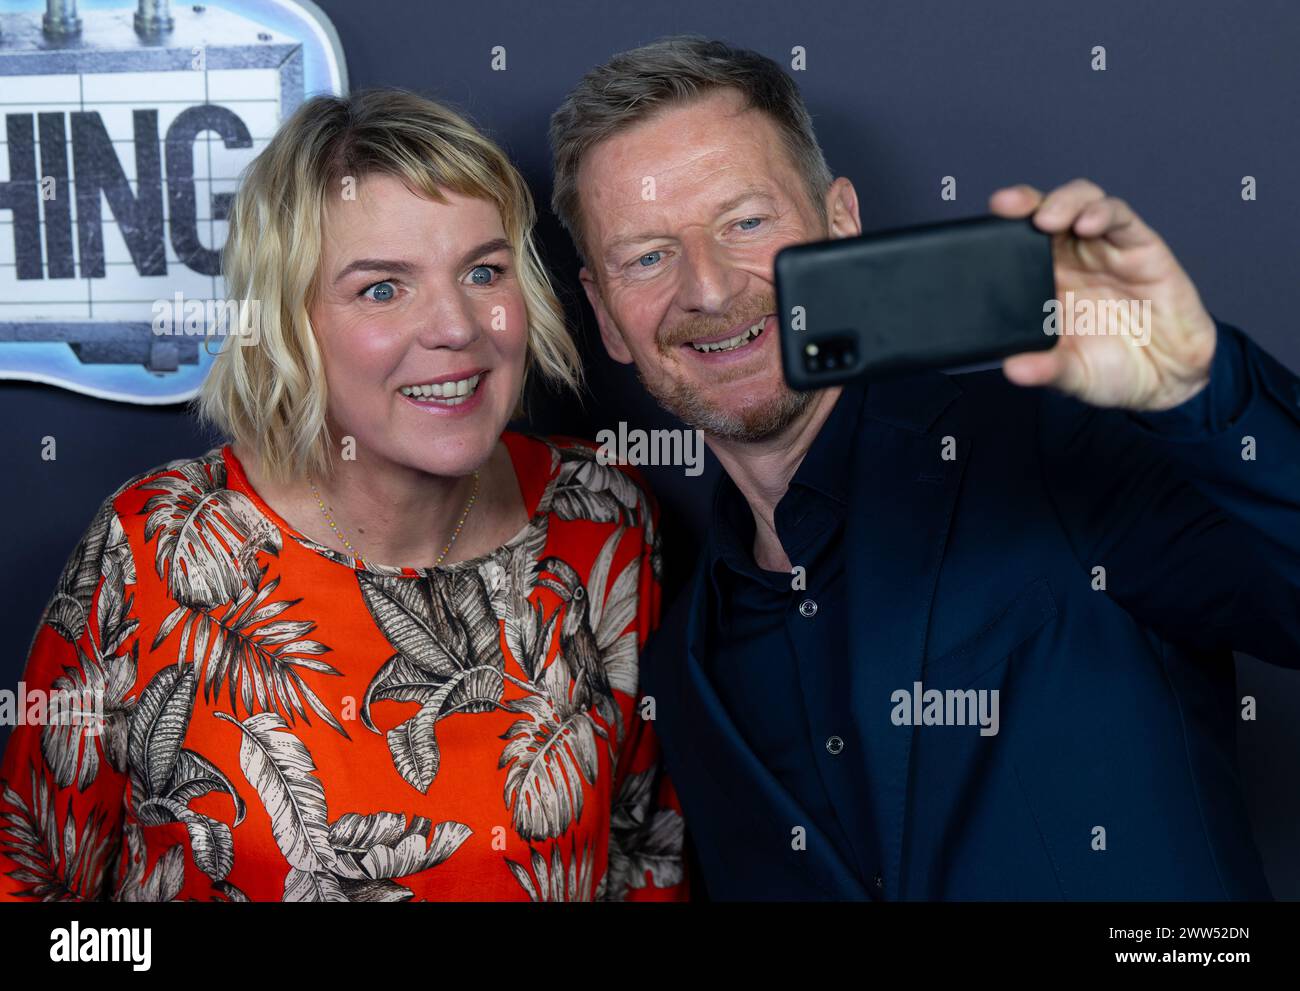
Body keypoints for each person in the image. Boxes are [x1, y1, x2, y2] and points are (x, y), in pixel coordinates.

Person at [547, 35, 1300, 900]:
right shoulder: (684, 665)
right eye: (647, 256)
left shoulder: (1060, 447)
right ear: (607, 318)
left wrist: (1202, 388)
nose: (709, 289)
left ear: (841, 223)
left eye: (745, 222)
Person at [0, 88, 686, 902]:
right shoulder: (154, 545)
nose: (457, 326)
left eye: (482, 270)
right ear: (290, 326)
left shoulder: (603, 517)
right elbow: (34, 888)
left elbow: (646, 857)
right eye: (382, 288)